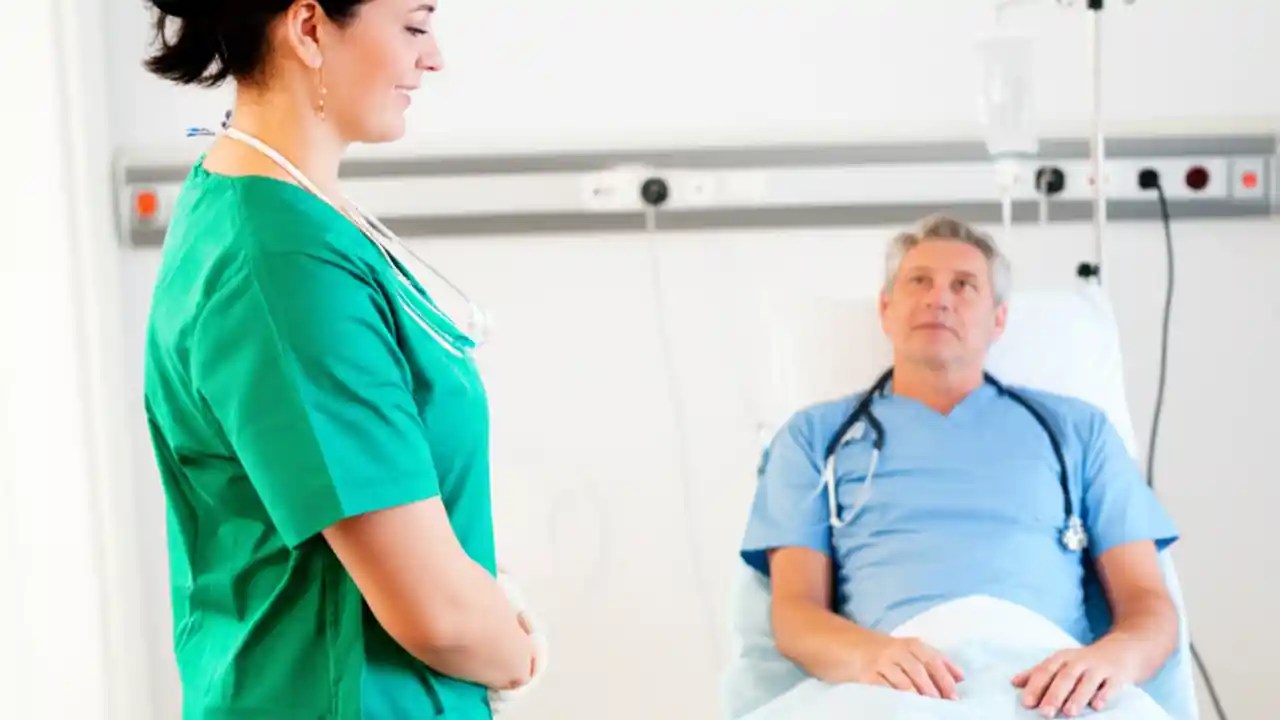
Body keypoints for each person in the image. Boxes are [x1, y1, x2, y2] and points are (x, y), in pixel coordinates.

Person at [141, 1, 541, 718]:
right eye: (414, 27)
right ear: (309, 29)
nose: (434, 58)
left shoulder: (291, 217)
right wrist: (515, 651)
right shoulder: (284, 263)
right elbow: (436, 616)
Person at [740, 215, 1180, 719]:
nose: (939, 298)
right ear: (886, 309)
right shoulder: (814, 438)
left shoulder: (1079, 432)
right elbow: (795, 614)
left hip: (1049, 688)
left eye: (964, 285)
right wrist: (869, 655)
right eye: (918, 281)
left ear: (998, 319)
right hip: (892, 685)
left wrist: (1111, 659)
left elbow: (1148, 601)